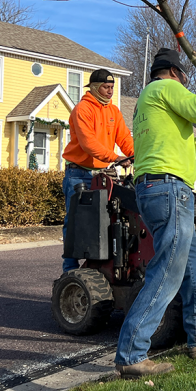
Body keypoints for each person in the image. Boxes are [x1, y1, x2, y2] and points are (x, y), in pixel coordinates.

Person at [114, 48, 196, 379]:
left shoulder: (155, 107)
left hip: (158, 189)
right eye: (185, 75)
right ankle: (131, 354)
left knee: (193, 265)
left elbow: (195, 146)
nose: (188, 80)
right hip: (169, 190)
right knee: (167, 271)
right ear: (174, 71)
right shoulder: (164, 88)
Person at [61, 68, 134, 274]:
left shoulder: (114, 111)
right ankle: (70, 270)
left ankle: (105, 266)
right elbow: (88, 144)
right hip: (79, 174)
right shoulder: (82, 110)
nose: (110, 91)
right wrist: (116, 157)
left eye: (112, 87)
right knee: (75, 222)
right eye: (106, 87)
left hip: (104, 174)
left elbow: (124, 139)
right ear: (94, 87)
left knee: (112, 220)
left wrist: (134, 154)